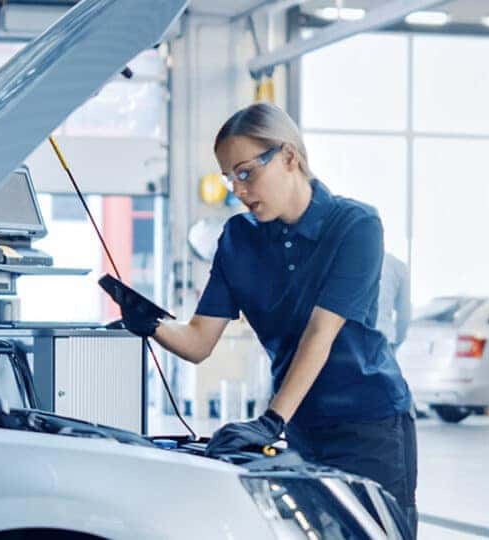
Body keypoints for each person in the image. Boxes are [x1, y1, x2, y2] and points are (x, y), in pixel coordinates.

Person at [110, 103, 418, 534]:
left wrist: (270, 421)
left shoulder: (355, 224)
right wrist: (151, 323)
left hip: (369, 424)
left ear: (289, 157)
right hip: (302, 423)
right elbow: (199, 341)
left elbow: (320, 333)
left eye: (246, 172)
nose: (237, 188)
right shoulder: (239, 238)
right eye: (228, 177)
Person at [376, 252, 412, 352]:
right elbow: (404, 317)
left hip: (348, 343)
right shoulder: (398, 266)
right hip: (383, 340)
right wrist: (395, 345)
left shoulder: (348, 259)